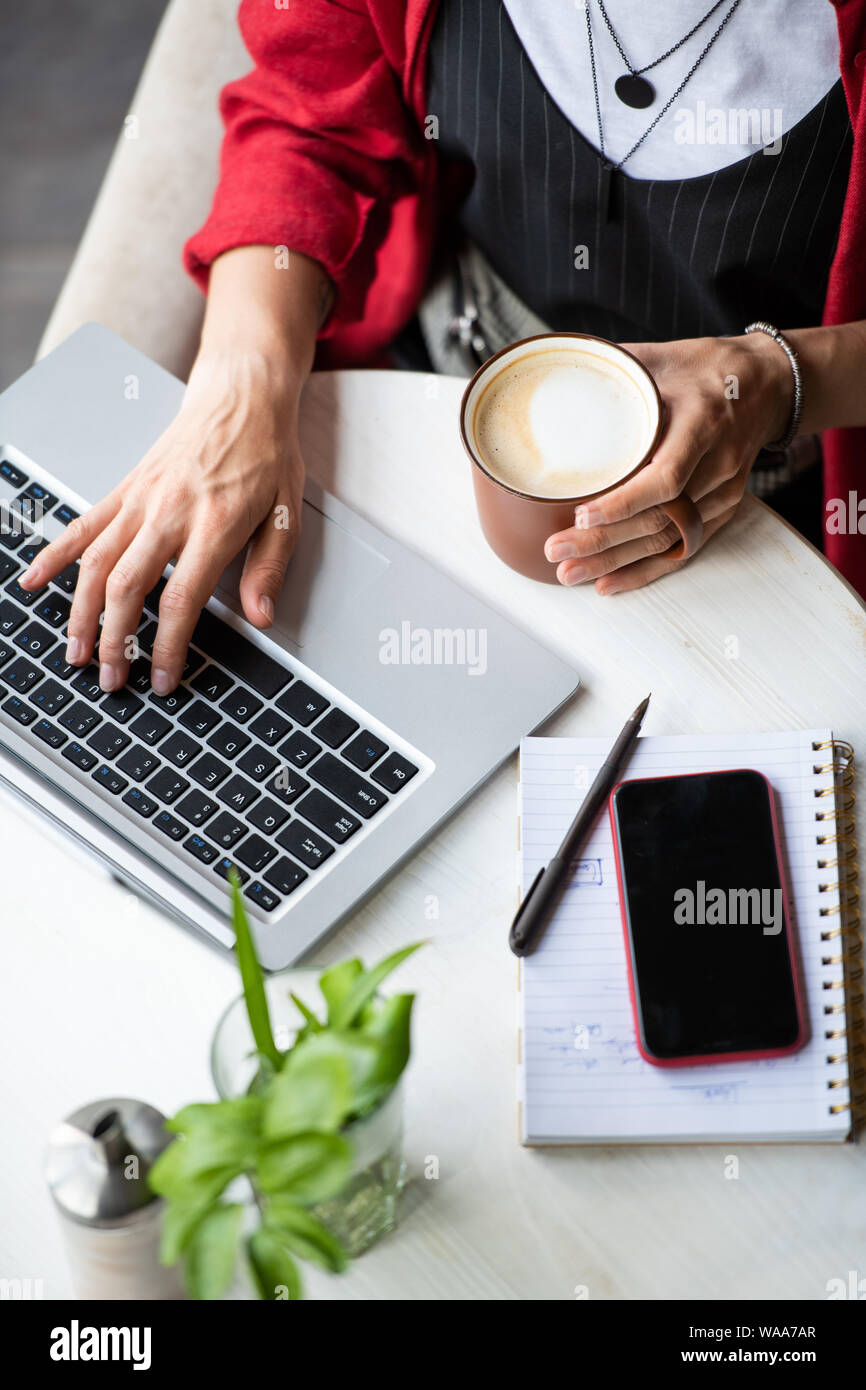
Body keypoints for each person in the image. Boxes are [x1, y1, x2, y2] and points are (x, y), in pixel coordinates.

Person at [19, 0, 866, 695]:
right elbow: (305, 118)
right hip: (429, 390)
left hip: (784, 502)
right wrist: (241, 383)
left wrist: (787, 378)